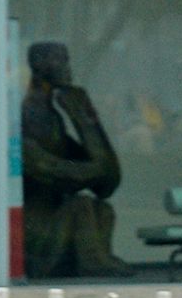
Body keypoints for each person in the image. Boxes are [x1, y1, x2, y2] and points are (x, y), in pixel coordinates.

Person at [20, 41, 132, 280]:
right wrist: (83, 120)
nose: (68, 68)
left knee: (102, 210)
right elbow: (58, 171)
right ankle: (94, 262)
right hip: (34, 230)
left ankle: (98, 259)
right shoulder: (27, 118)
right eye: (60, 60)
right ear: (39, 65)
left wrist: (84, 119)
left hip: (53, 221)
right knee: (80, 205)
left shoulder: (53, 120)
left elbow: (107, 183)